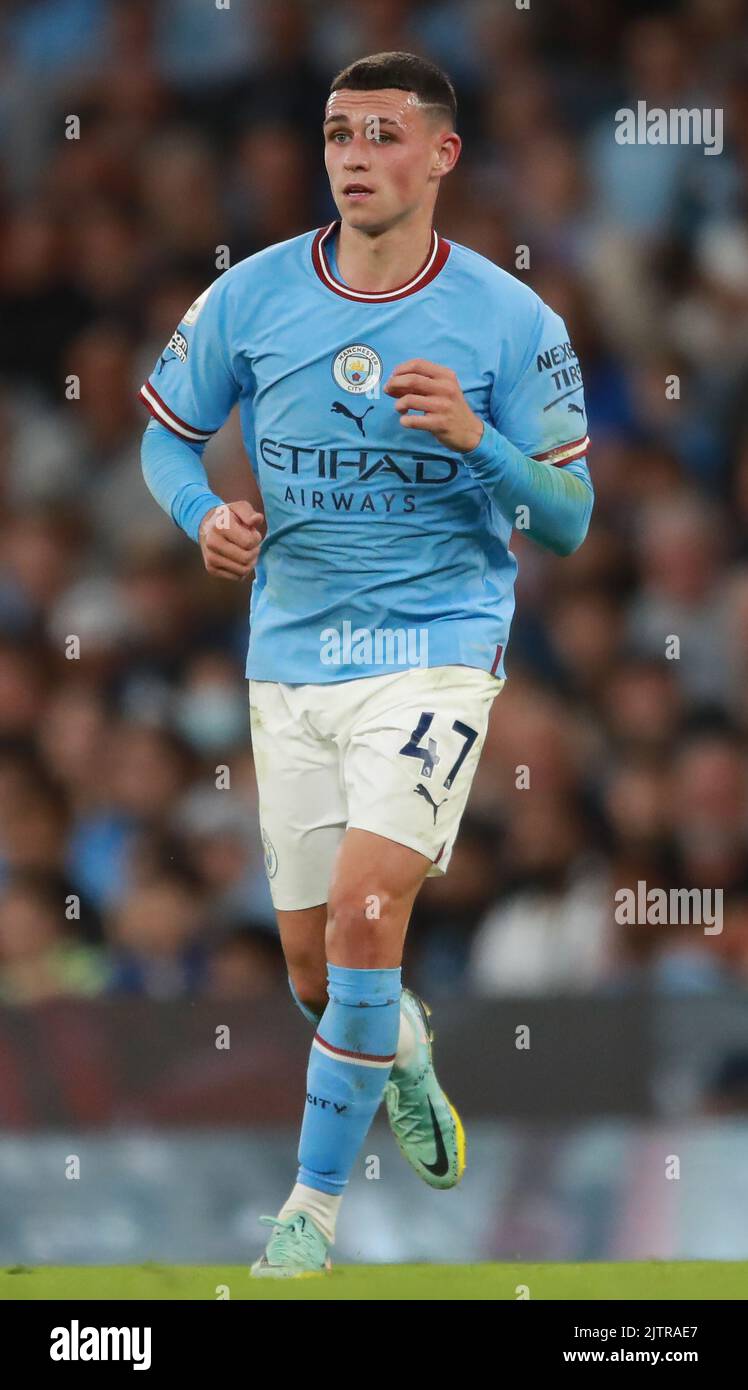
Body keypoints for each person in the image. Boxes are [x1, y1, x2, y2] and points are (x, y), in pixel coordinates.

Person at [139, 50, 593, 1277]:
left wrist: (479, 439)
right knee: (313, 969)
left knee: (363, 912)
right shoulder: (251, 295)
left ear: (440, 156)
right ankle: (404, 1047)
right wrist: (204, 519)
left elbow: (567, 516)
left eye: (383, 135)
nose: (353, 155)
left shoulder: (510, 319)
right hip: (291, 657)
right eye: (339, 132)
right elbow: (167, 442)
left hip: (434, 652)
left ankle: (309, 1216)